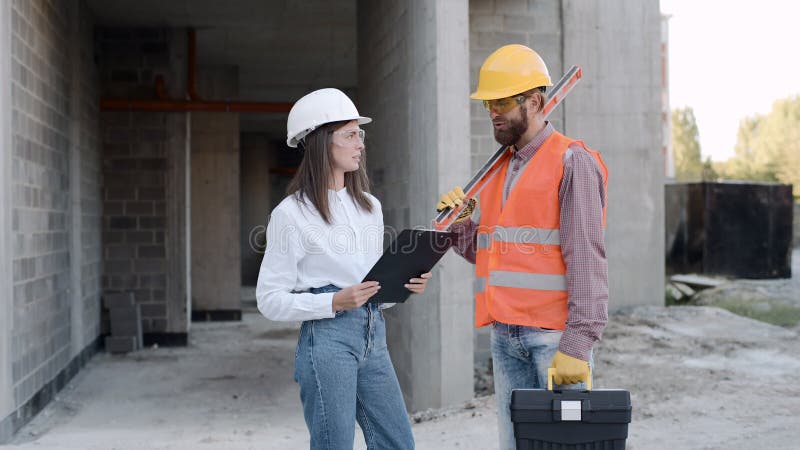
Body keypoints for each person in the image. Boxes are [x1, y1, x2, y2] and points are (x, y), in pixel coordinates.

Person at [437, 44, 609, 449]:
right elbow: (492, 255)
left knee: (564, 445)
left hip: (553, 338)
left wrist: (578, 344)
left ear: (534, 102)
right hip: (505, 335)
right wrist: (461, 226)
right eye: (488, 104)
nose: (493, 111)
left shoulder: (572, 161)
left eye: (501, 102)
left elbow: (586, 258)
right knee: (515, 444)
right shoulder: (499, 170)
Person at [256, 88, 430, 449]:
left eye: (360, 134)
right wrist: (333, 303)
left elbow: (371, 290)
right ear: (321, 142)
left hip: (374, 336)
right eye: (350, 135)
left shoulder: (370, 207)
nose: (360, 144)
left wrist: (402, 285)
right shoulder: (291, 214)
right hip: (327, 342)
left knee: (398, 443)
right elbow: (268, 299)